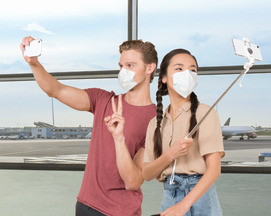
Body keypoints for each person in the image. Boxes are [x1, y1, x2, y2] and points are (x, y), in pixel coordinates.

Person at [20, 37, 158, 216]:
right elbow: (55, 89)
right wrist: (34, 63)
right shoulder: (103, 100)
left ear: (149, 68)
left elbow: (133, 182)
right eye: (121, 66)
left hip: (119, 211)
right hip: (86, 205)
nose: (124, 72)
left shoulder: (156, 120)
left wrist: (119, 138)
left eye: (130, 66)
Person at [142, 49, 225, 216]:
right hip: (169, 193)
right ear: (164, 78)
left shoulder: (205, 113)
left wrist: (184, 205)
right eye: (179, 69)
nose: (187, 74)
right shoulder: (155, 124)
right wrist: (170, 154)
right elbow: (147, 173)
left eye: (192, 70)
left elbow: (214, 169)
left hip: (201, 197)